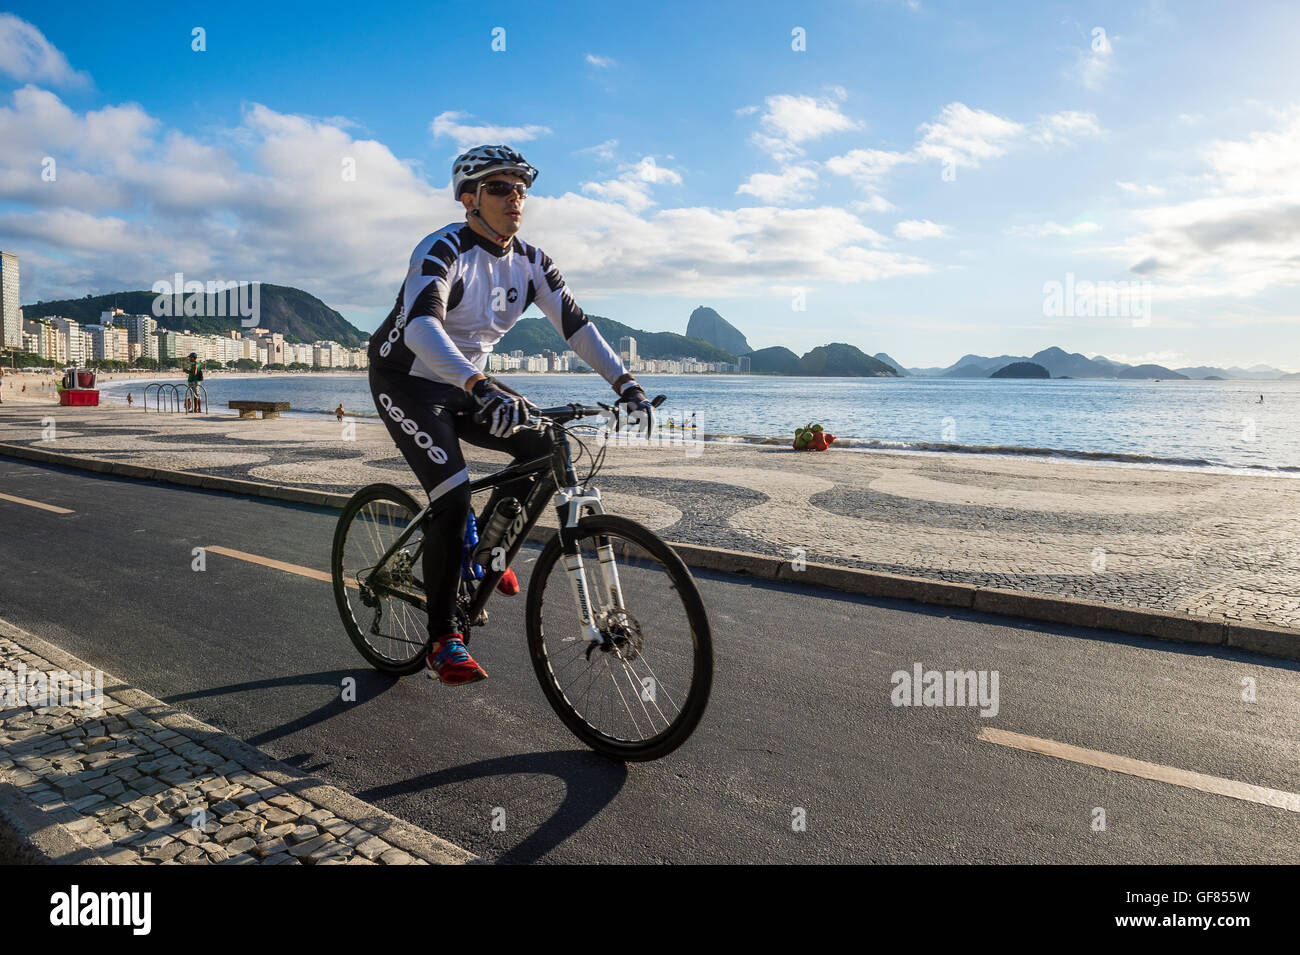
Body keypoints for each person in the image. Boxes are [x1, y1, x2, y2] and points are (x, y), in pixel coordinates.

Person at [368, 144, 654, 686]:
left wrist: (626, 383)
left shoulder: (533, 262)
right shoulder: (442, 248)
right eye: (500, 187)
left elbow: (576, 327)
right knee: (451, 498)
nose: (515, 198)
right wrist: (479, 384)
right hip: (407, 381)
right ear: (469, 198)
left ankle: (487, 555)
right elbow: (421, 328)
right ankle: (441, 639)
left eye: (521, 188)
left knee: (546, 447)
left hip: (467, 381)